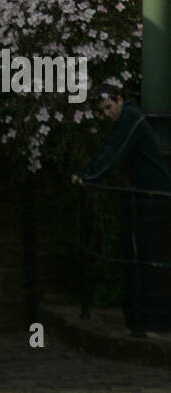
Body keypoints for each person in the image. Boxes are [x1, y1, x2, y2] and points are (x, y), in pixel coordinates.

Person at [72, 93, 171, 334]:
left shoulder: (131, 118)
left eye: (108, 108)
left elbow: (112, 153)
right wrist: (86, 172)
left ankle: (150, 320)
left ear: (119, 100)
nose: (106, 114)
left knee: (151, 259)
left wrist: (87, 176)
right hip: (148, 196)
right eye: (102, 111)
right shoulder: (129, 118)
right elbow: (108, 149)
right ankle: (145, 319)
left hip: (154, 196)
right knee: (145, 259)